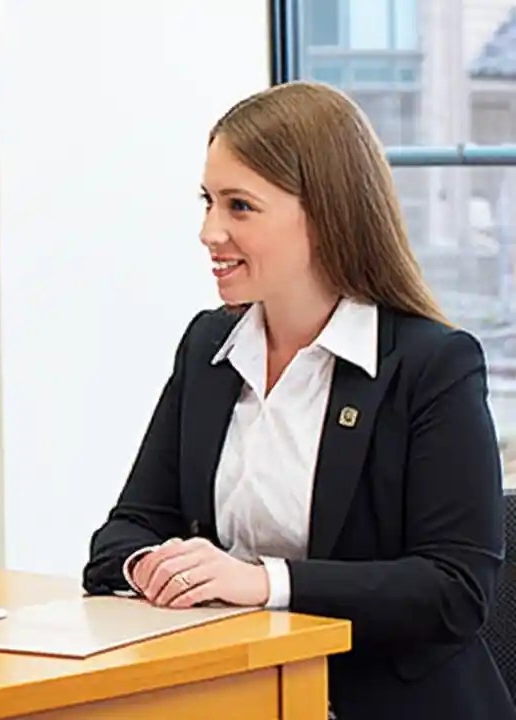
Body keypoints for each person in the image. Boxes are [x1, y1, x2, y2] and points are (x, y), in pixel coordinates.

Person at [81, 81, 514, 719]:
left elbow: (453, 590)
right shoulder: (209, 348)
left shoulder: (431, 365)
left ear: (325, 212)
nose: (209, 231)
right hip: (240, 695)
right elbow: (121, 537)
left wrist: (263, 583)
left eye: (239, 207)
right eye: (207, 201)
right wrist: (157, 566)